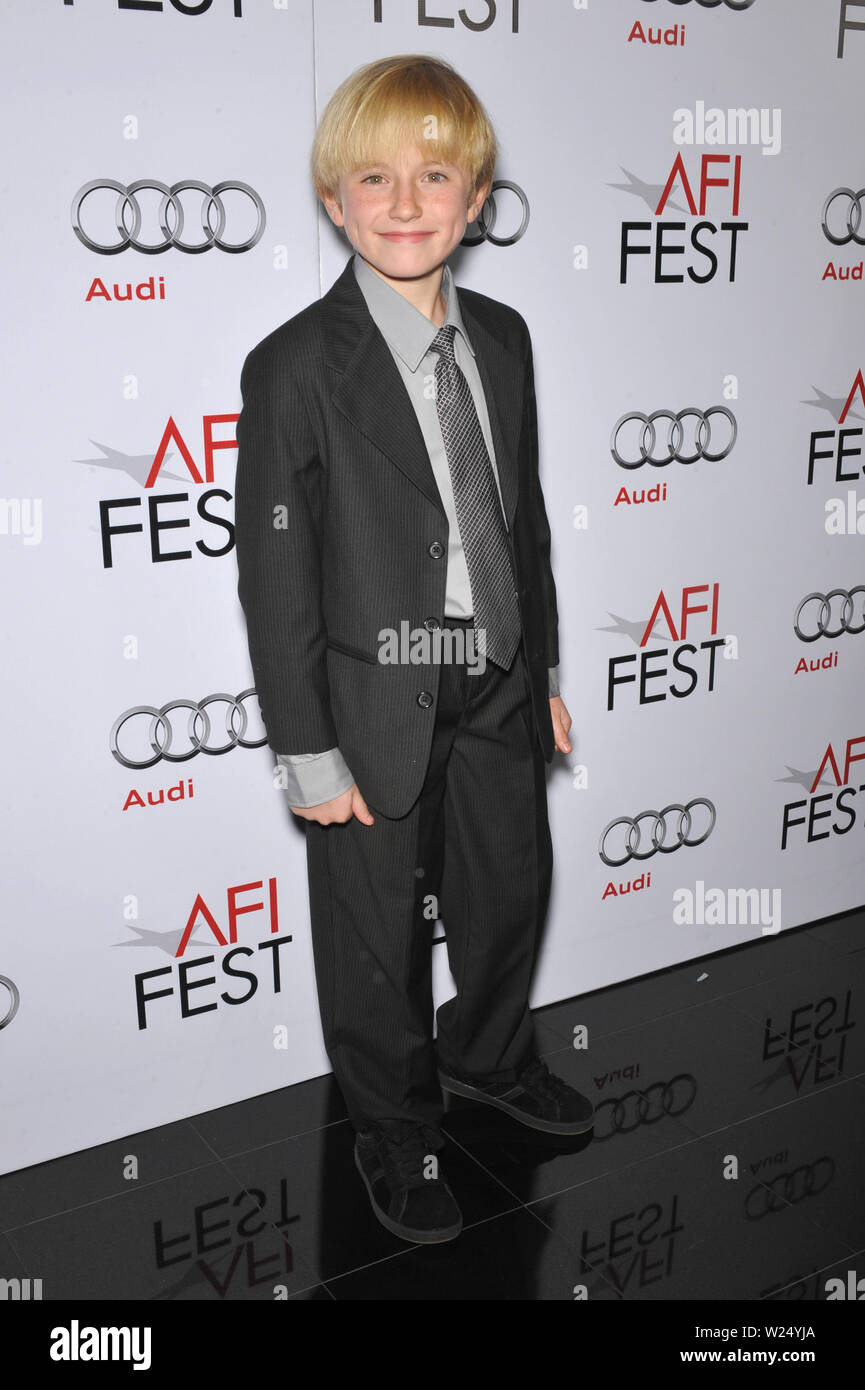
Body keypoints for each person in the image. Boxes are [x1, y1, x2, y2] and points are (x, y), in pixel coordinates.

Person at [234, 53, 594, 1246]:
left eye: (433, 174)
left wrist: (538, 668)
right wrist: (306, 747)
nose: (403, 202)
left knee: (504, 892)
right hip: (367, 699)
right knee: (375, 933)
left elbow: (518, 510)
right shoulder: (295, 366)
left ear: (476, 196)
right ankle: (392, 1122)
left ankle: (488, 1056)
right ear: (333, 199)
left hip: (492, 671)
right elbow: (274, 571)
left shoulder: (505, 335)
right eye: (373, 177)